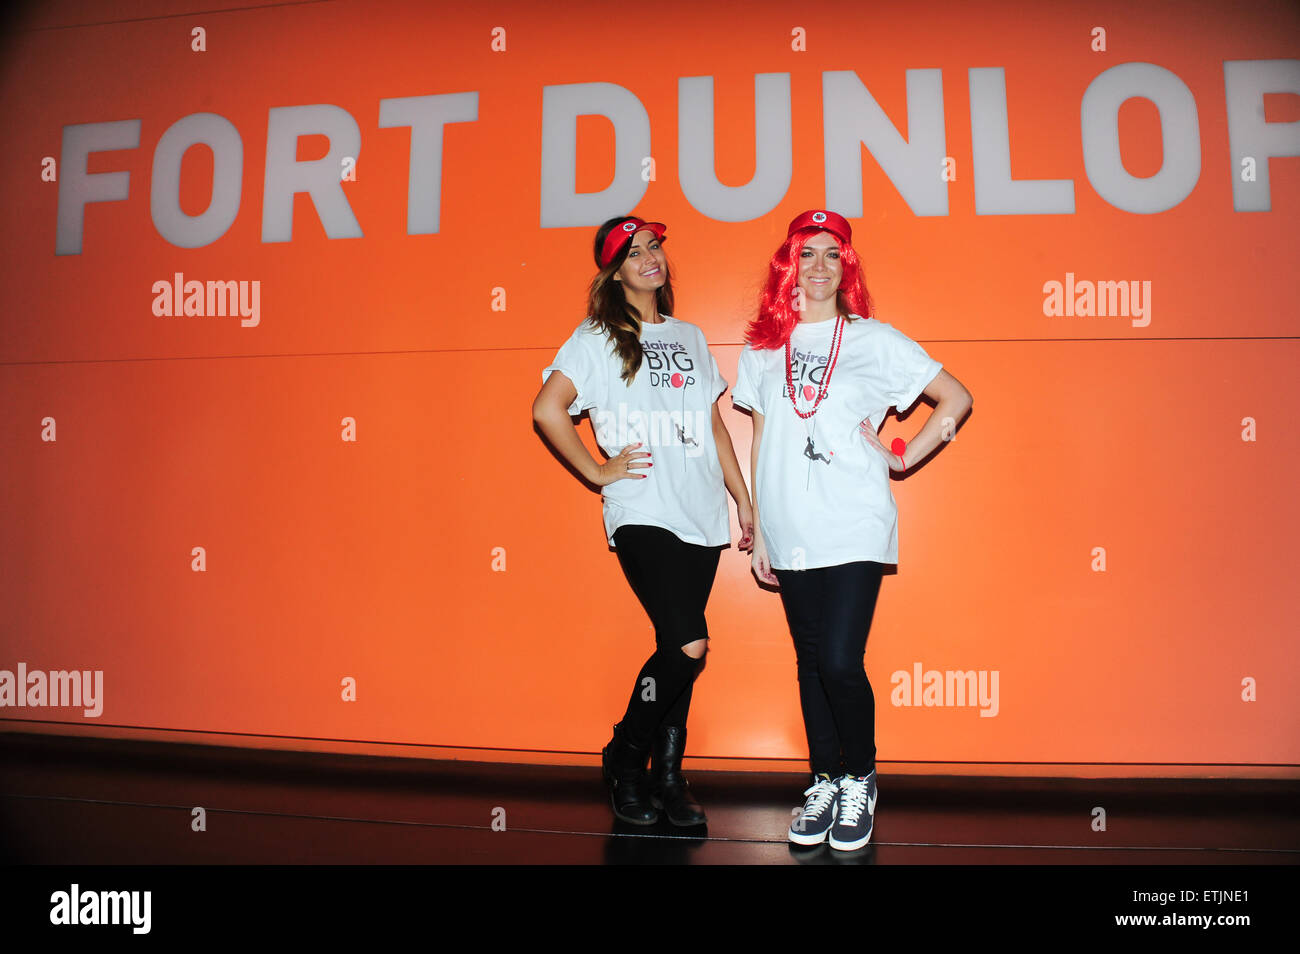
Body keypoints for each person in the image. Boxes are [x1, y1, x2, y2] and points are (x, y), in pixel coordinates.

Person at [731, 209, 973, 851]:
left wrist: (904, 456)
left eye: (831, 254)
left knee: (839, 660)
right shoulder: (762, 349)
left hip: (854, 520)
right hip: (789, 522)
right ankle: (825, 781)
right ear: (789, 266)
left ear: (847, 267)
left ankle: (859, 778)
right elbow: (760, 439)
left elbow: (957, 400)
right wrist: (758, 521)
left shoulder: (874, 339)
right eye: (806, 254)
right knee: (811, 664)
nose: (818, 266)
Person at [532, 215, 754, 826]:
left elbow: (713, 427)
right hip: (643, 510)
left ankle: (670, 779)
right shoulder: (596, 336)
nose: (649, 258)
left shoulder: (689, 336)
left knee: (673, 651)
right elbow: (547, 409)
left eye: (653, 246)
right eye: (633, 253)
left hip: (702, 511)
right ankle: (626, 759)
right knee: (690, 644)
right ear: (615, 271)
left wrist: (744, 498)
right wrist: (597, 472)